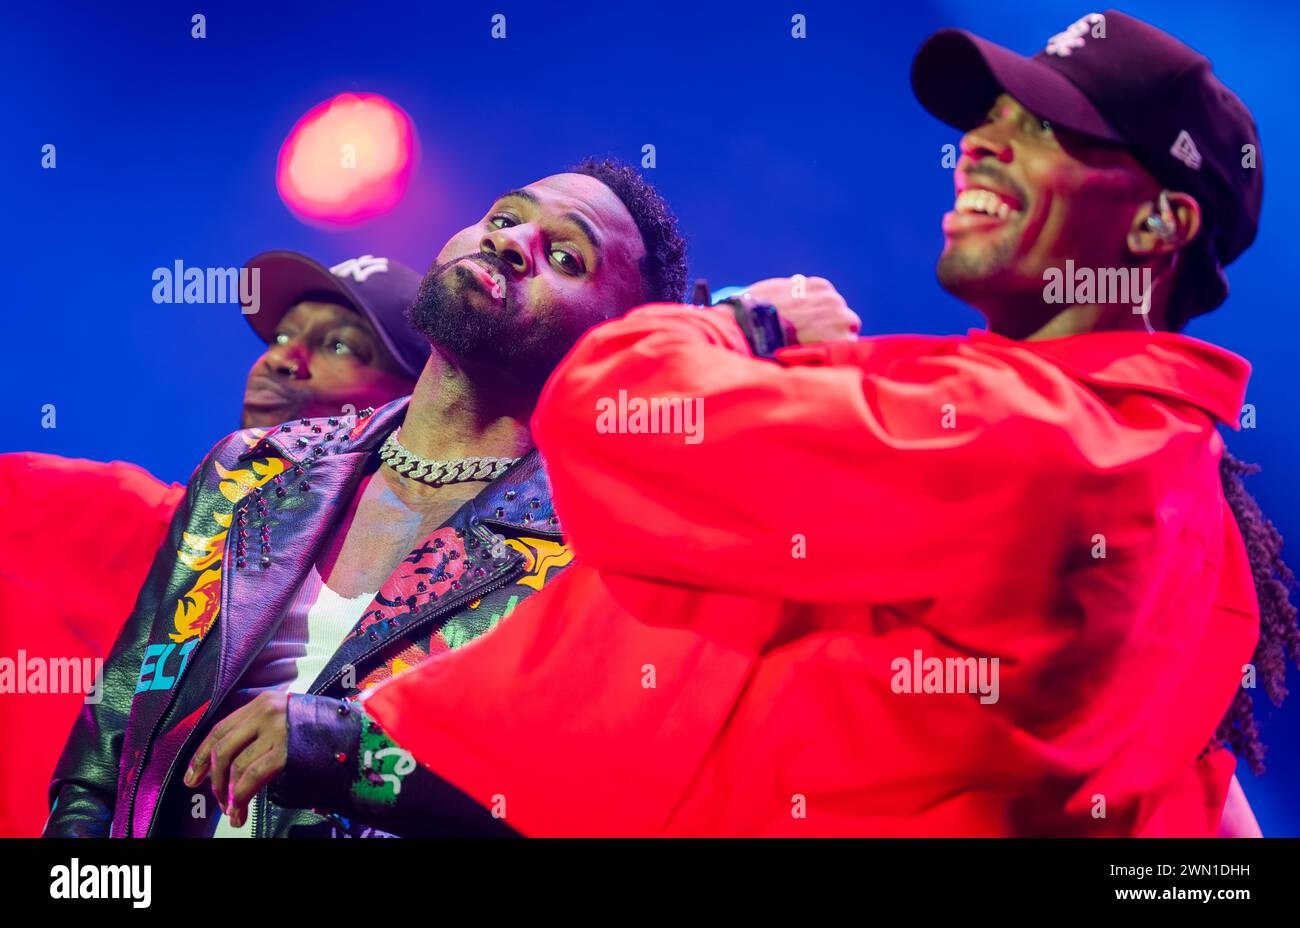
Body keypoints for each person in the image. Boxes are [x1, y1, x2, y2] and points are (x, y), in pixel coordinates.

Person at [352, 11, 1295, 836]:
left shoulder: (1040, 438)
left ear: (1156, 227)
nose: (979, 142)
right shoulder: (1177, 497)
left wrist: (747, 323)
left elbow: (613, 412)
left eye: (1047, 129)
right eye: (991, 117)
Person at [43, 158, 690, 838]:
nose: (509, 242)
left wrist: (341, 752)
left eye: (565, 255)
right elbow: (106, 754)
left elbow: (573, 804)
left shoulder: (590, 557)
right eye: (503, 218)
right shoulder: (252, 469)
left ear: (612, 341)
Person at [0, 251, 424, 838]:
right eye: (282, 335)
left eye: (340, 347)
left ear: (415, 401)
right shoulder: (121, 514)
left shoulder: (450, 604)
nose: (283, 359)